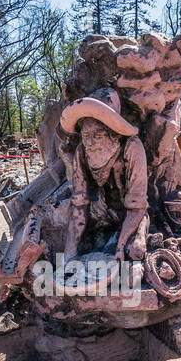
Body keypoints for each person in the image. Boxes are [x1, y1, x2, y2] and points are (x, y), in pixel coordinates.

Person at [59, 88, 149, 262]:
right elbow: (79, 203)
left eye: (97, 135)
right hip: (101, 212)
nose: (90, 143)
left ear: (113, 133)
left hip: (131, 214)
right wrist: (69, 252)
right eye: (85, 135)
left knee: (135, 251)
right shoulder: (82, 152)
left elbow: (137, 205)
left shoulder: (132, 148)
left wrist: (121, 247)